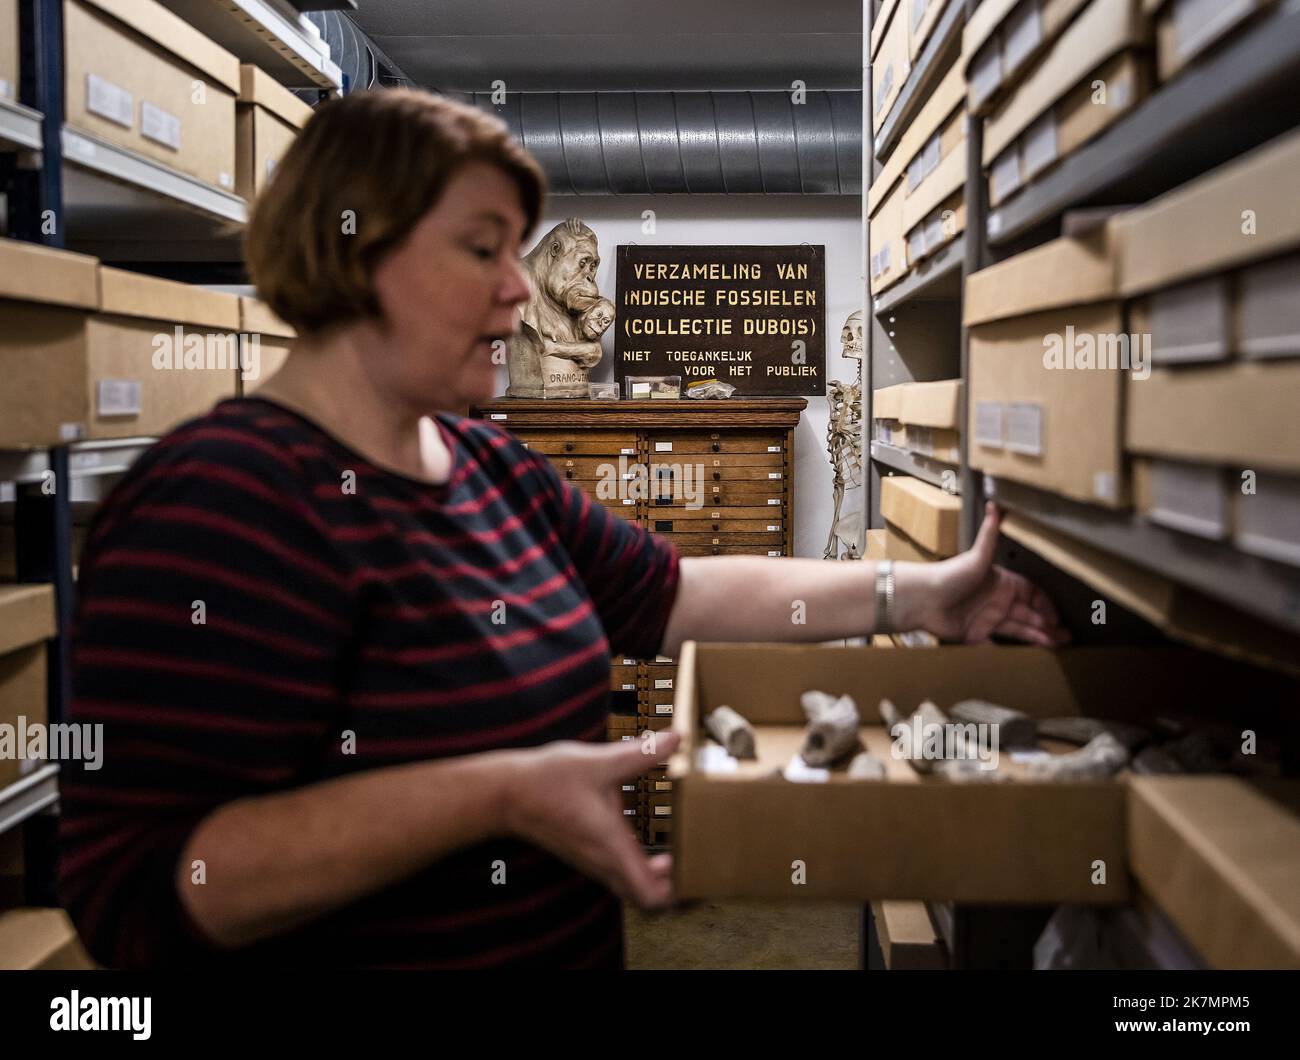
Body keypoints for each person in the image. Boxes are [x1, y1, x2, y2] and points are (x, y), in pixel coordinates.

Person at [58, 89, 1067, 970]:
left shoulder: (491, 468)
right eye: (482, 247)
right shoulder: (217, 501)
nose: (520, 287)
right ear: (356, 252)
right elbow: (137, 885)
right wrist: (495, 795)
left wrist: (917, 593)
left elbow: (678, 592)